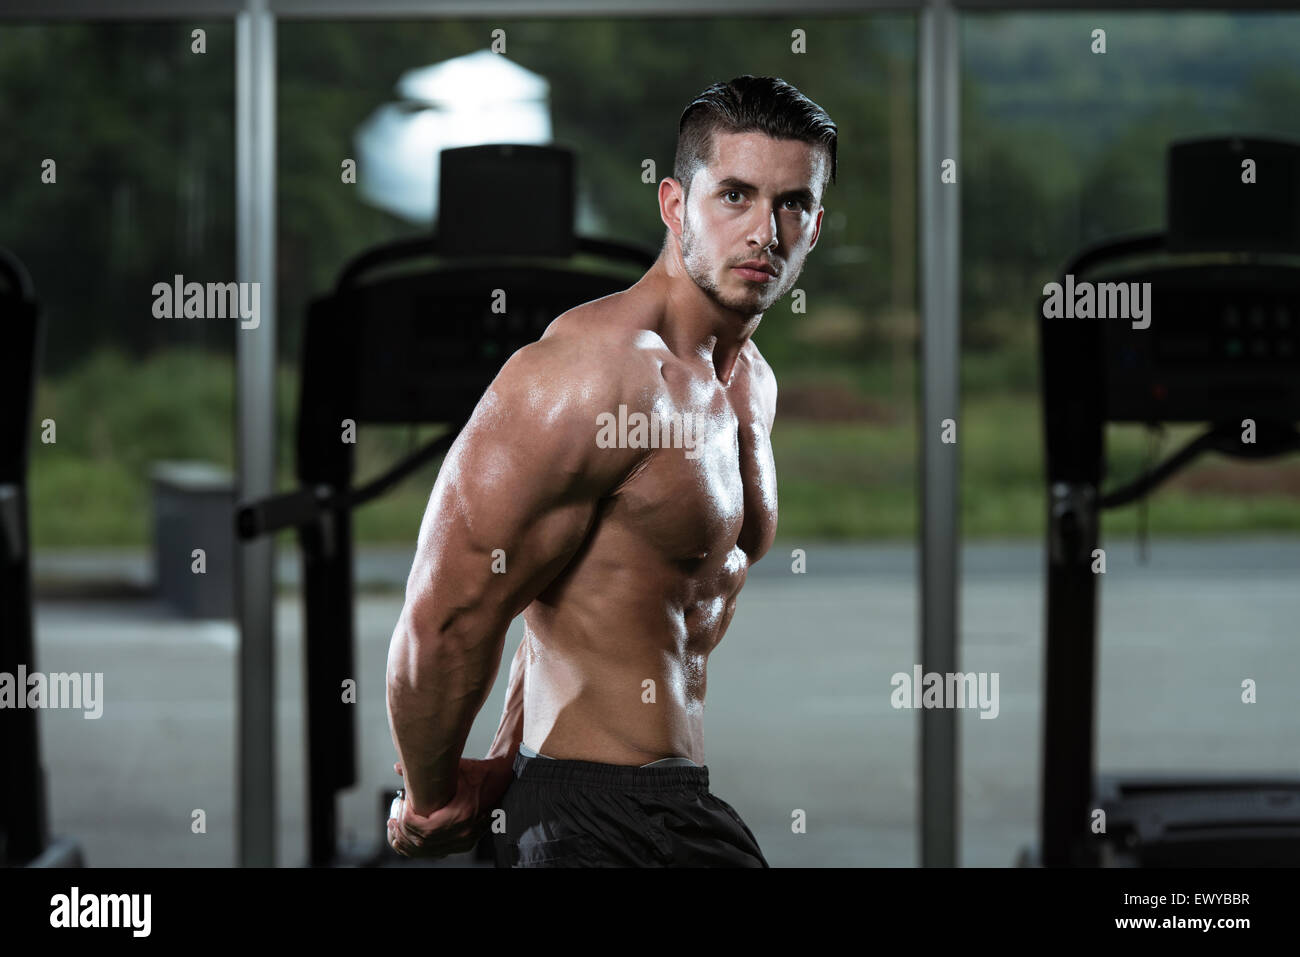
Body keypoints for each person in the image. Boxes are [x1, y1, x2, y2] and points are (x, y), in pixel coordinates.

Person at [385, 74, 835, 867]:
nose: (766, 230)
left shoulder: (750, 384)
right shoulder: (592, 376)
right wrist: (432, 800)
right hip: (585, 820)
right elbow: (449, 612)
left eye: (791, 203)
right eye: (735, 195)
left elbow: (565, 579)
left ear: (816, 223)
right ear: (673, 204)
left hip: (677, 806)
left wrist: (506, 745)